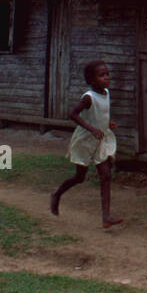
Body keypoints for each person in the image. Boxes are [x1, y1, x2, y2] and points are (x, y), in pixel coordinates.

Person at [50, 60, 124, 228]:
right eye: (101, 75)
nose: (106, 77)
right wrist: (91, 129)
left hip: (101, 139)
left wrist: (107, 123)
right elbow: (73, 114)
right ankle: (57, 194)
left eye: (107, 74)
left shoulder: (106, 92)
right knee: (79, 177)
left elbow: (100, 114)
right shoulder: (88, 98)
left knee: (105, 175)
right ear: (91, 80)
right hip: (85, 140)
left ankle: (106, 217)